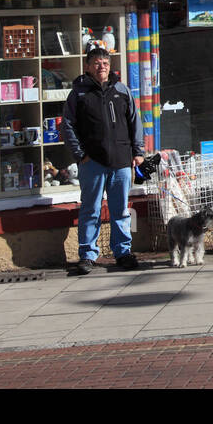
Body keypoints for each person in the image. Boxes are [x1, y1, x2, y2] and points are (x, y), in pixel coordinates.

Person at [61, 47, 144, 272]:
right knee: (91, 209)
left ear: (110, 66)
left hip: (121, 162)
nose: (102, 67)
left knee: (121, 211)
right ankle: (87, 255)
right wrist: (80, 155)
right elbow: (67, 125)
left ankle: (123, 252)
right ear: (88, 66)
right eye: (97, 63)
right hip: (93, 163)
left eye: (105, 63)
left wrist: (138, 152)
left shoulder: (121, 90)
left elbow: (135, 122)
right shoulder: (78, 93)